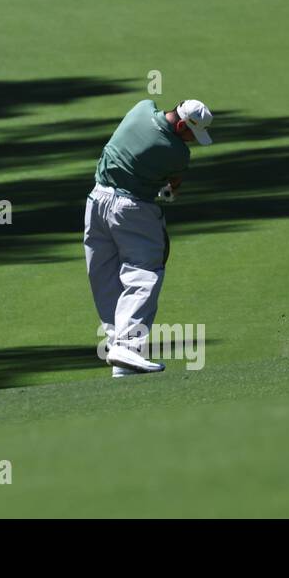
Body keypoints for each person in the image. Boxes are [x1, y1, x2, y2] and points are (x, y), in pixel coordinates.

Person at [83, 99, 213, 376]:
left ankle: (120, 353)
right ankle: (128, 346)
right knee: (144, 272)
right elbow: (173, 181)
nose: (191, 142)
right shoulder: (177, 152)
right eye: (191, 134)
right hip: (131, 209)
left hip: (95, 200)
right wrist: (171, 187)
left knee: (104, 275)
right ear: (181, 125)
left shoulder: (142, 107)